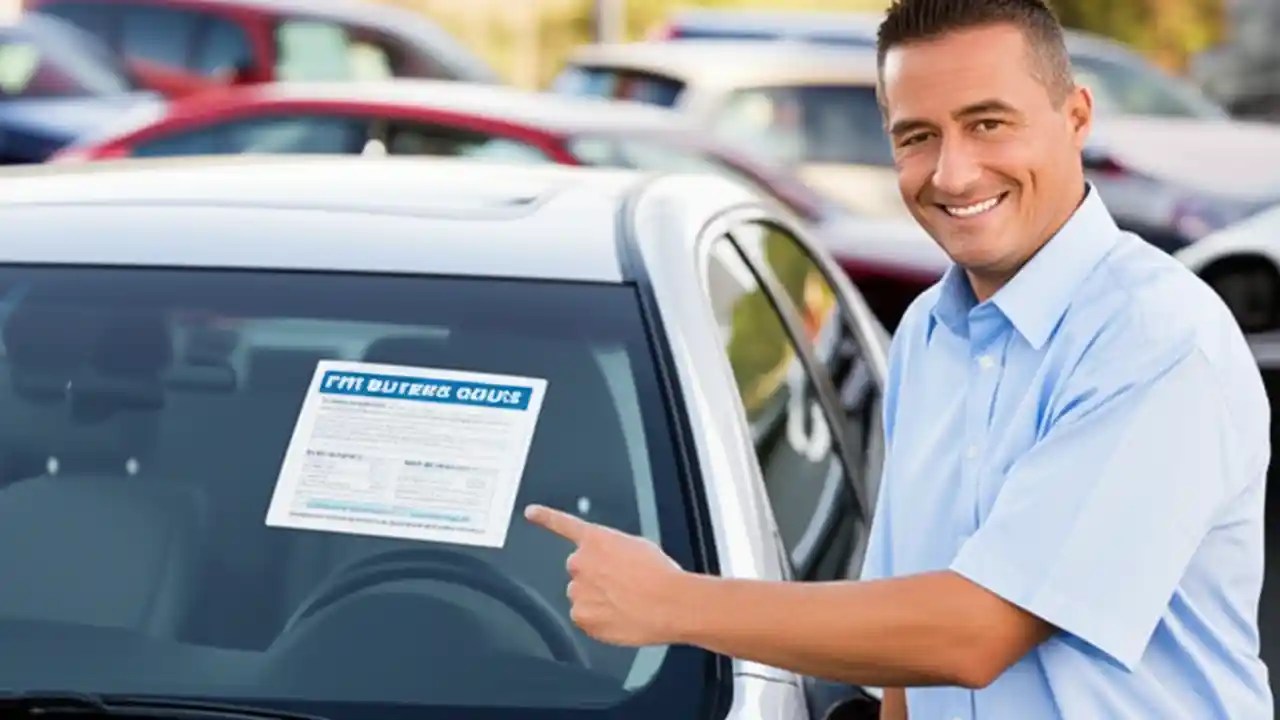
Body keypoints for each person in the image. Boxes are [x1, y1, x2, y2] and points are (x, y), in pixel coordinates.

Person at [524, 0, 1273, 717]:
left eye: (988, 123)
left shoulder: (1156, 337)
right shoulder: (927, 333)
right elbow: (906, 667)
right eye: (918, 137)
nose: (952, 173)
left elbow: (975, 633)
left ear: (1075, 116)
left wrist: (674, 603)